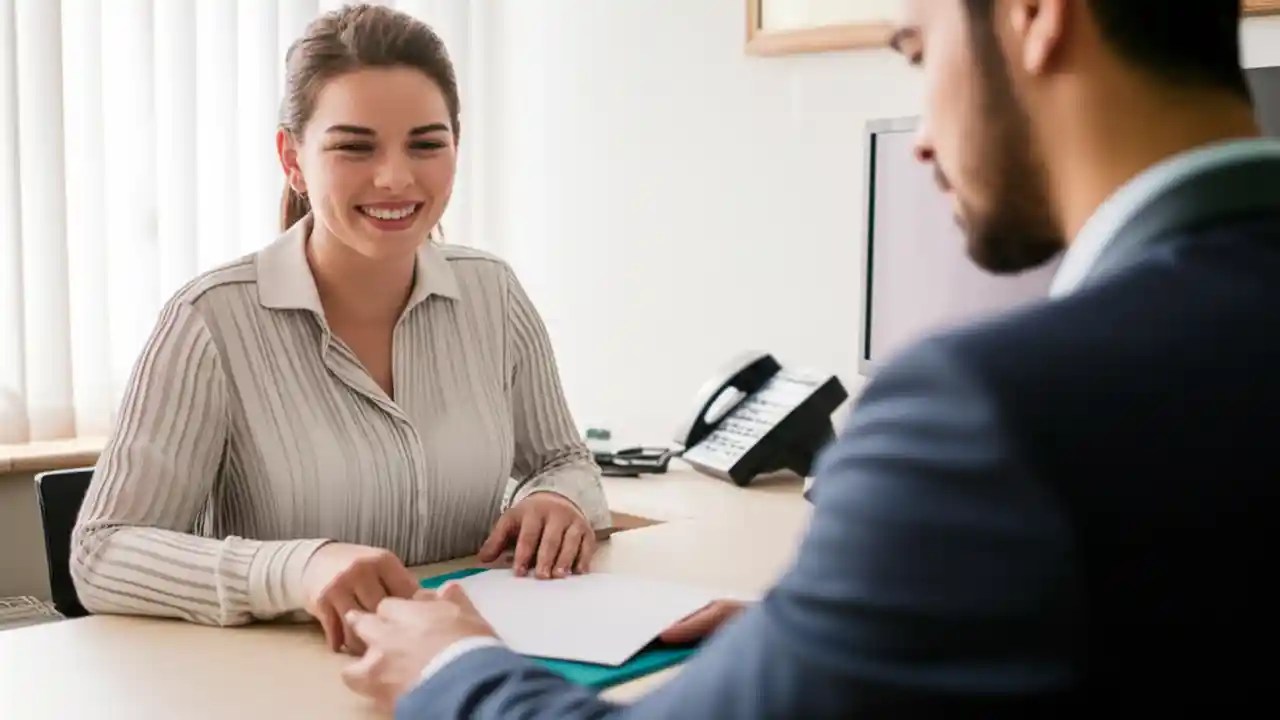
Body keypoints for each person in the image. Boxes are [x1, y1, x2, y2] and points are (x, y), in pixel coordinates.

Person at [339, 0, 1280, 715]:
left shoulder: (984, 415)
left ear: (1036, 16)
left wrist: (449, 667)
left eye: (919, 55)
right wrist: (828, 630)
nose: (924, 141)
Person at [70, 4, 610, 656]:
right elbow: (102, 553)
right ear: (292, 159)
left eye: (426, 144)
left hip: (466, 666)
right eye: (355, 146)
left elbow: (565, 462)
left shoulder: (493, 294)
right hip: (287, 679)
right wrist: (299, 567)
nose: (396, 177)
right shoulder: (210, 320)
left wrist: (558, 500)